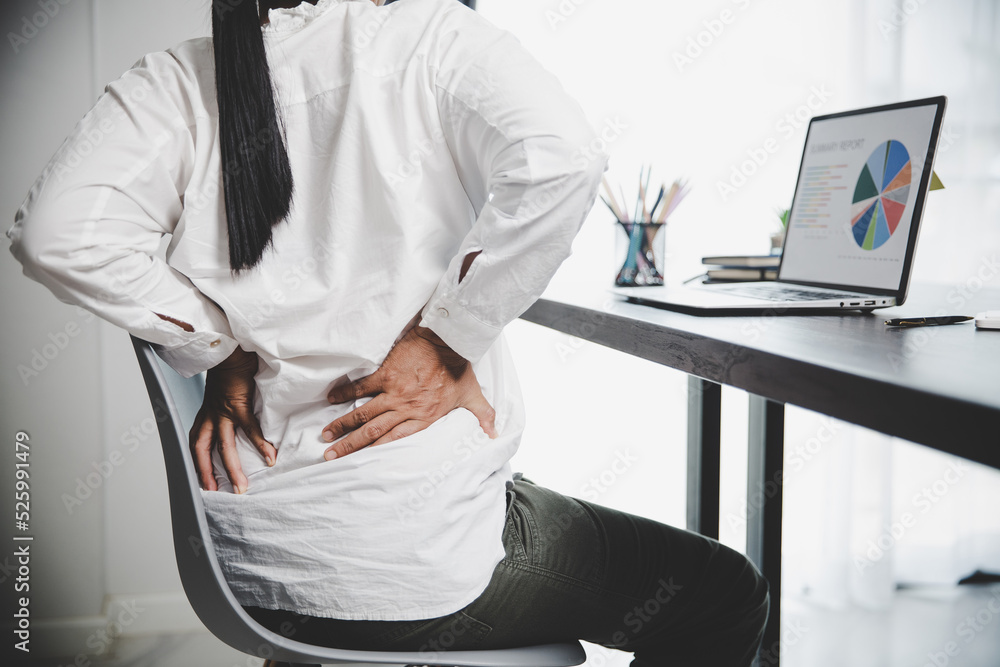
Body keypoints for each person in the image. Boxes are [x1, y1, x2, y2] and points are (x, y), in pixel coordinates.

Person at [7, 0, 769, 664]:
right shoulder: (433, 38)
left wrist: (218, 342)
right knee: (724, 592)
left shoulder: (173, 79)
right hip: (407, 574)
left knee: (511, 491)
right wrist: (447, 337)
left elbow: (54, 233)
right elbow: (564, 158)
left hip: (249, 571)